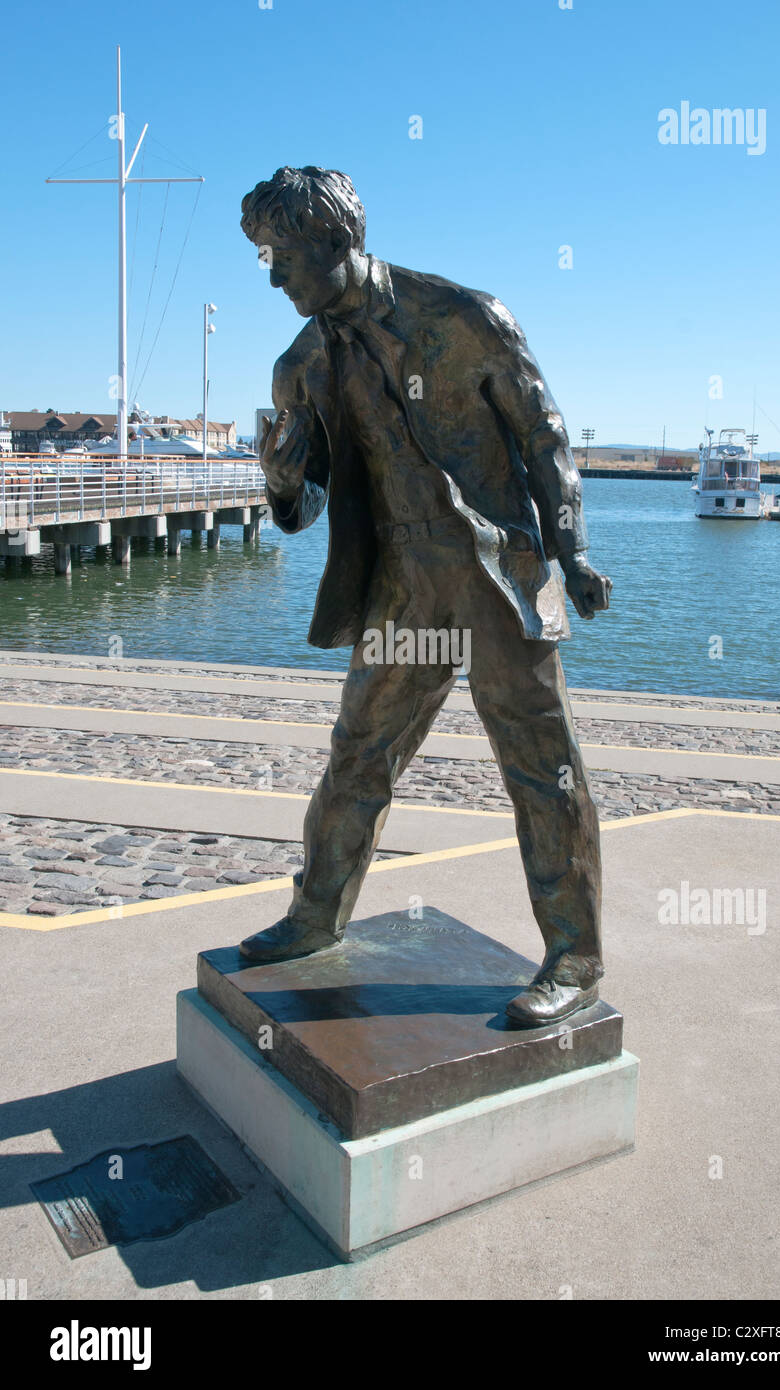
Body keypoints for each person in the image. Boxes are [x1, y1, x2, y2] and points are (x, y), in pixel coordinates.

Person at [237, 166, 612, 1026]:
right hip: (405, 592)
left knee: (540, 766)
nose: (271, 276)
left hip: (493, 579)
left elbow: (543, 436)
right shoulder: (299, 364)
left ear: (337, 241)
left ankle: (574, 956)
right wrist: (280, 478)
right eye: (263, 257)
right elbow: (303, 511)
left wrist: (574, 550)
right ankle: (313, 916)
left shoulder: (464, 317)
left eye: (282, 255)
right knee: (357, 754)